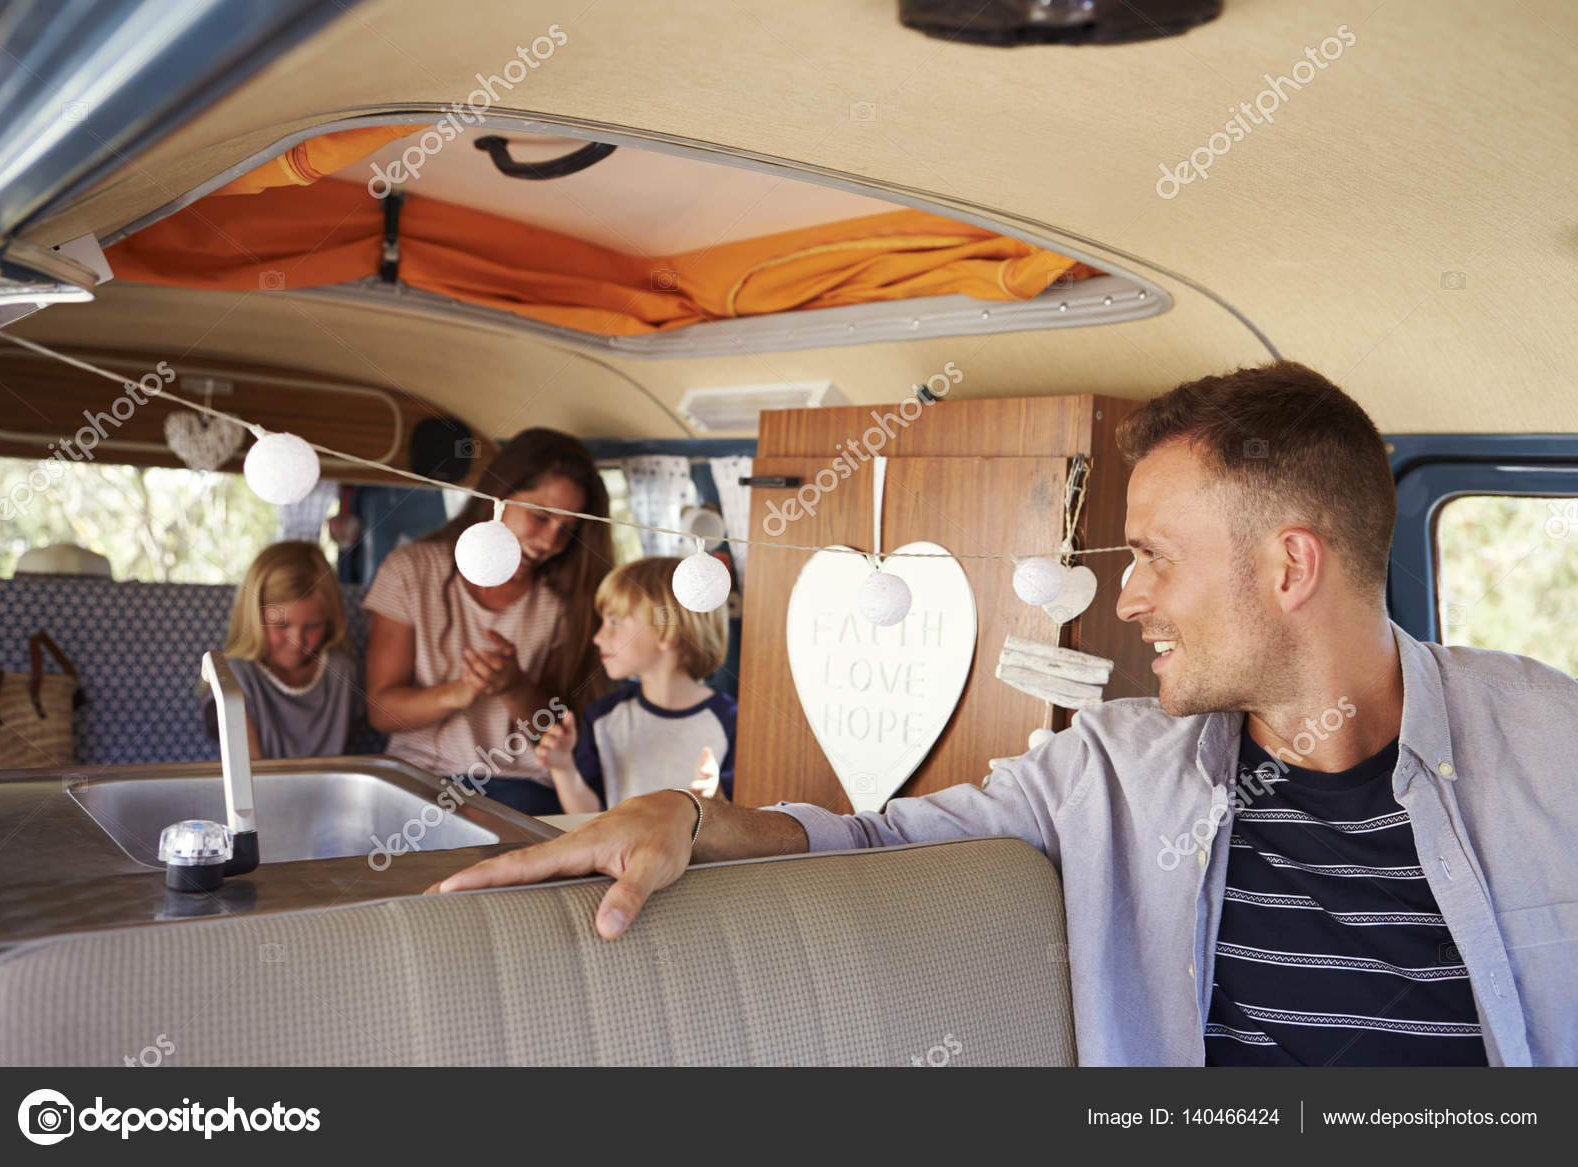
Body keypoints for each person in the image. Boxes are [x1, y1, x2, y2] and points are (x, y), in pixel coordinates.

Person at [427, 362, 1578, 1067]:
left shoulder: (1549, 743)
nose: (1125, 598)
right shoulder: (1111, 768)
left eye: (1154, 557)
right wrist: (689, 817)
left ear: (1288, 567)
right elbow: (875, 837)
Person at [363, 428, 612, 815]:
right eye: (540, 517)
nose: (550, 543)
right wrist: (459, 692)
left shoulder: (564, 600)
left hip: (521, 784)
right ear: (497, 498)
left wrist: (515, 687)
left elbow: (555, 735)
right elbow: (382, 711)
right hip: (421, 775)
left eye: (568, 531)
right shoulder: (411, 571)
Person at [536, 557, 735, 814]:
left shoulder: (732, 722)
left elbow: (740, 820)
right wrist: (563, 768)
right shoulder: (602, 717)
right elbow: (589, 819)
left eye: (615, 622)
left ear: (668, 631)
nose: (598, 637)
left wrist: (715, 798)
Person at [201, 540, 356, 760]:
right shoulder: (234, 679)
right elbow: (247, 770)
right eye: (281, 625)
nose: (296, 641)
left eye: (312, 626)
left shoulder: (342, 670)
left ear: (330, 620)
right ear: (253, 618)